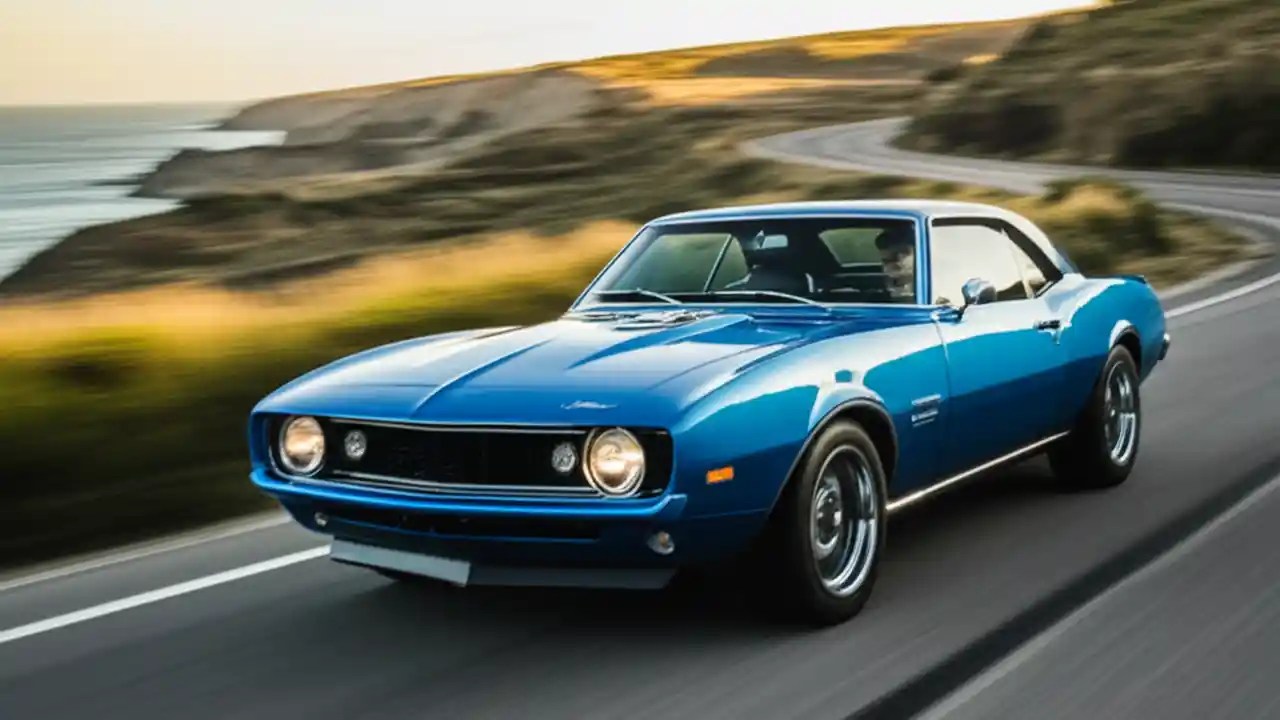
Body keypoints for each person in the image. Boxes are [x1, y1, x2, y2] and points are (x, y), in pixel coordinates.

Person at [874, 226, 916, 302]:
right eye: (887, 260)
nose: (899, 261)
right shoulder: (877, 295)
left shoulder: (937, 285)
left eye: (904, 253)